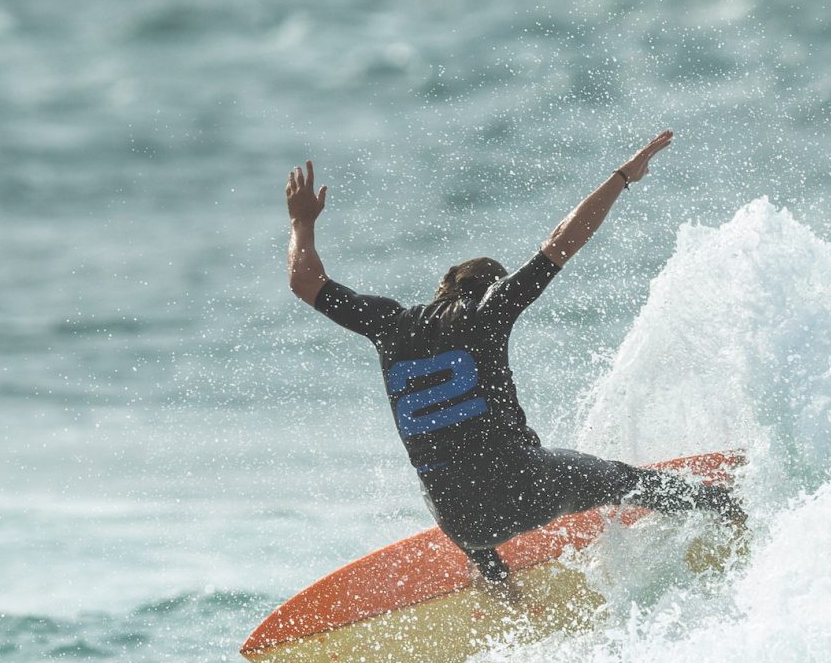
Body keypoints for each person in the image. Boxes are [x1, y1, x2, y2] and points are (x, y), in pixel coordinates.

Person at [282, 130, 744, 598]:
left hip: (462, 524)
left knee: (440, 468)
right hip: (530, 492)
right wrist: (624, 176)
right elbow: (562, 242)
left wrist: (302, 222)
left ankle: (497, 579)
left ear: (442, 287)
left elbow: (304, 281)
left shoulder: (387, 326)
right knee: (623, 480)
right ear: (489, 290)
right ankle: (729, 508)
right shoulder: (488, 310)